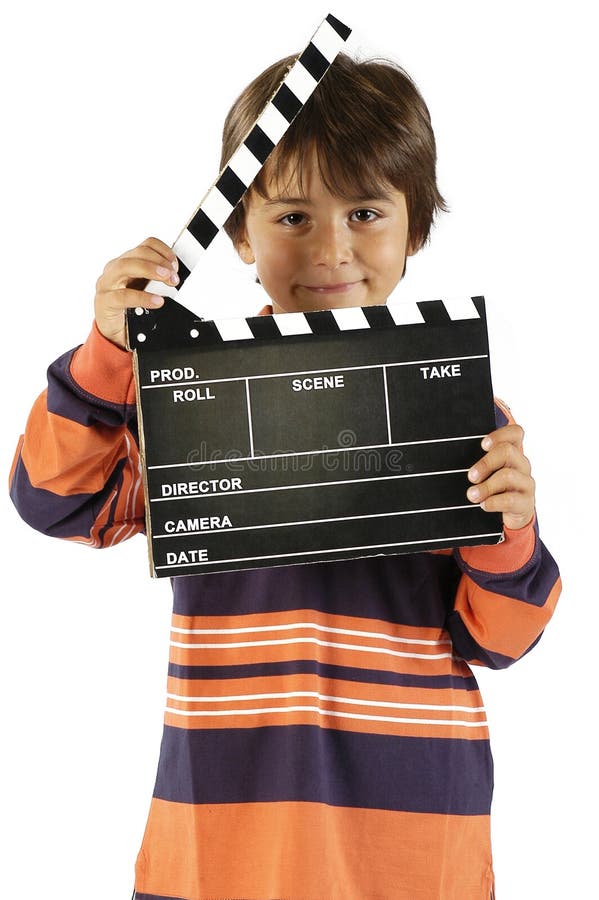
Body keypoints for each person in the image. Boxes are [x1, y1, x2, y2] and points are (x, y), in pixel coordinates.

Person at [9, 51, 561, 899]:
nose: (331, 250)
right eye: (293, 216)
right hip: (226, 828)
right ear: (239, 232)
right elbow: (59, 501)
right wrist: (109, 351)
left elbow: (502, 638)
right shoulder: (189, 397)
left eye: (367, 213)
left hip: (409, 842)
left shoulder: (459, 412)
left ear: (415, 229)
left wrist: (508, 526)